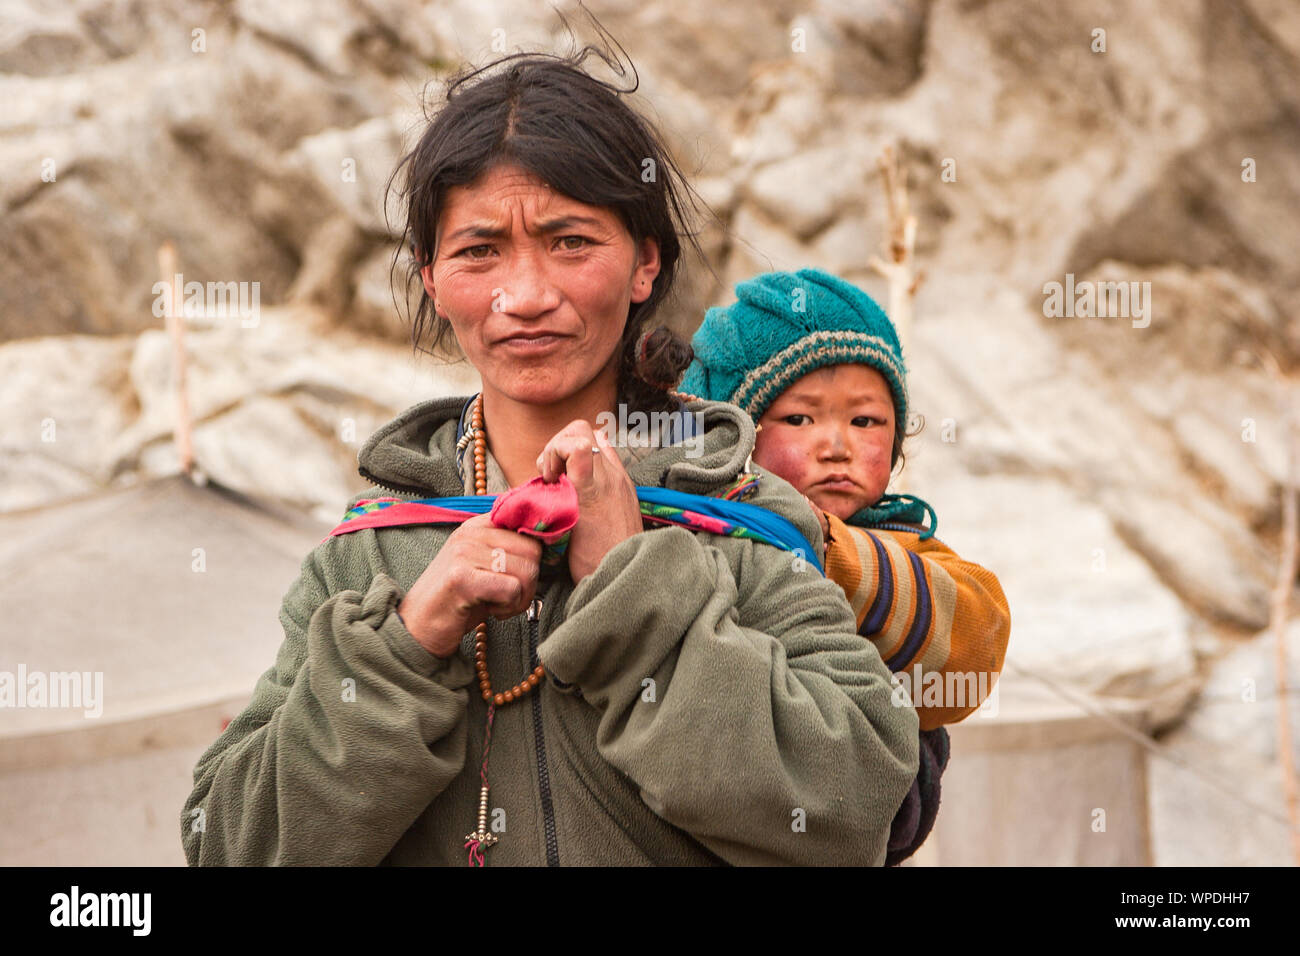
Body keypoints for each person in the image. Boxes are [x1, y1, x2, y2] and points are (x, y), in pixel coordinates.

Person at [180, 52, 918, 866]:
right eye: (479, 251)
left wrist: (631, 591)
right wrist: (407, 644)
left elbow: (849, 810)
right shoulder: (374, 555)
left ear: (644, 263)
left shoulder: (739, 513)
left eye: (570, 242)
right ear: (430, 277)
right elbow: (232, 846)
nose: (524, 295)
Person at [679, 268, 1012, 861]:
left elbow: (977, 642)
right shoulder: (699, 542)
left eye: (865, 421)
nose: (837, 445)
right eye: (800, 419)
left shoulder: (902, 548)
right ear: (732, 436)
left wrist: (822, 546)